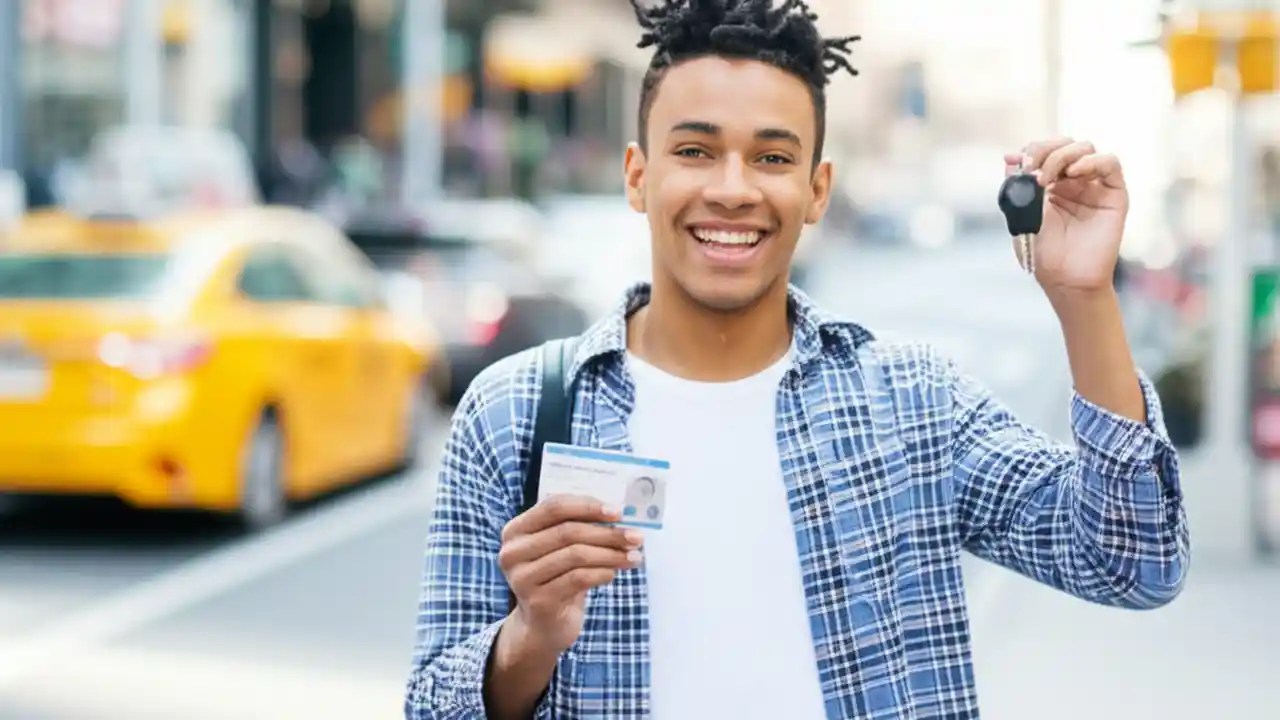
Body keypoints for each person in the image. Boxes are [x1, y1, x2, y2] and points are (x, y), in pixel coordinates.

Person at [404, 1, 1190, 718]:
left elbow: (1132, 561)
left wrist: (1085, 298)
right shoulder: (514, 412)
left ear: (817, 191)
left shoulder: (912, 402)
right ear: (639, 177)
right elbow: (431, 706)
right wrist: (530, 635)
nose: (734, 189)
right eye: (696, 150)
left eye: (773, 160)